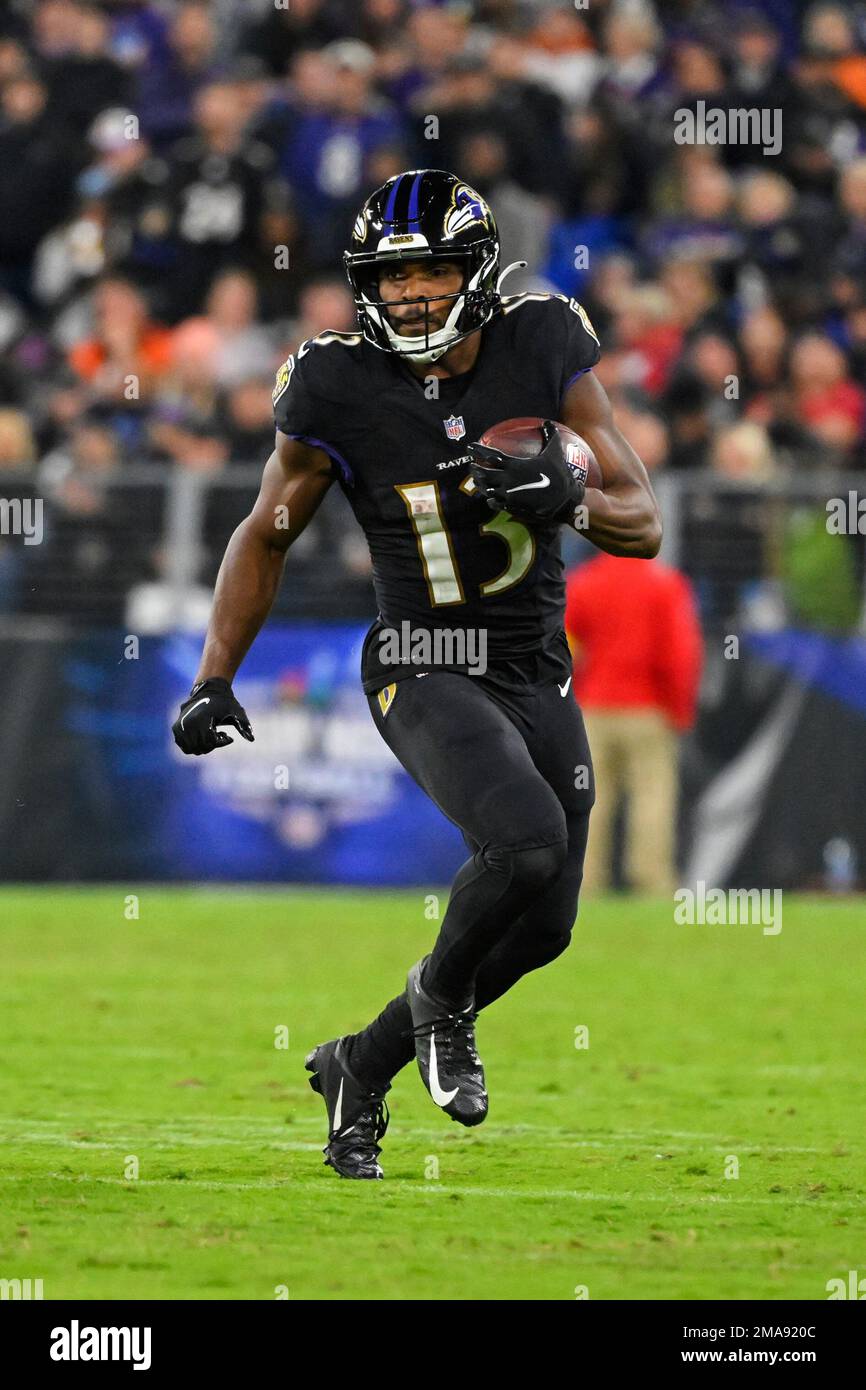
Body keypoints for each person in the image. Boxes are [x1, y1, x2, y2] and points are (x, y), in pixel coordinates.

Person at [171, 169, 661, 1179]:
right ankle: (440, 1003)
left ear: (476, 270)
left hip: (533, 665)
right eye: (391, 277)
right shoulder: (336, 383)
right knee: (522, 841)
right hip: (420, 656)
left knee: (545, 926)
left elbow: (641, 519)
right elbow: (266, 533)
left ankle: (360, 1062)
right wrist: (214, 675)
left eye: (431, 271)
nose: (409, 295)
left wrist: (566, 498)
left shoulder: (541, 342)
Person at [564, 553, 703, 895]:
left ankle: (584, 881)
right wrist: (680, 709)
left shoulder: (583, 582)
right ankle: (650, 881)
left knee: (590, 799)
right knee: (652, 797)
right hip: (647, 709)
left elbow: (563, 648)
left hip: (593, 708)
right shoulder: (665, 584)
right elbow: (680, 654)